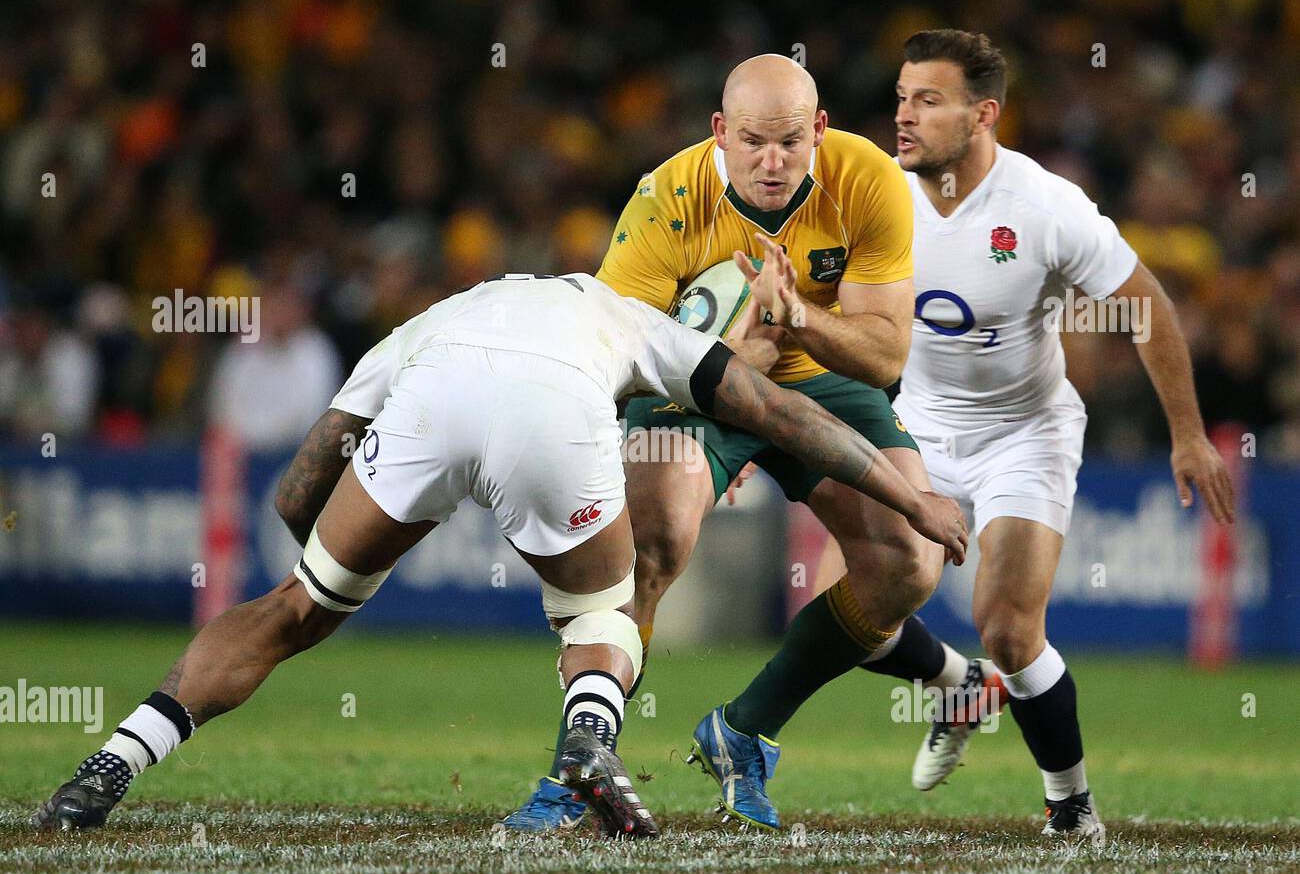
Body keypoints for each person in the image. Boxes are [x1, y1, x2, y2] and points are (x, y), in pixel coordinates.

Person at [35, 257, 968, 836]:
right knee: (601, 611)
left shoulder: (429, 320)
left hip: (432, 397)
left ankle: (112, 761)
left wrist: (331, 566)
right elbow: (787, 415)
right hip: (552, 409)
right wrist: (909, 498)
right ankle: (590, 737)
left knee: (290, 610)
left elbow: (299, 481)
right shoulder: (634, 322)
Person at [507, 54, 986, 833]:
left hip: (820, 375)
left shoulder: (866, 179)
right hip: (692, 389)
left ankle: (744, 730)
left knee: (909, 560)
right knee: (652, 536)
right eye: (754, 142)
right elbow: (613, 361)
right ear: (719, 133)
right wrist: (722, 375)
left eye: (792, 142)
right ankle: (577, 768)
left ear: (820, 130)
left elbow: (886, 355)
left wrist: (797, 317)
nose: (773, 161)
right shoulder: (666, 199)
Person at [822, 30, 1233, 845]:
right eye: (901, 97)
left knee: (1009, 626)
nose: (902, 116)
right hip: (920, 425)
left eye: (926, 100)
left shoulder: (1044, 207)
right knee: (848, 616)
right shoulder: (876, 195)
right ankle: (961, 686)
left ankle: (1070, 802)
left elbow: (1143, 305)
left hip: (1026, 429)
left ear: (983, 114)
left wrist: (1187, 434)